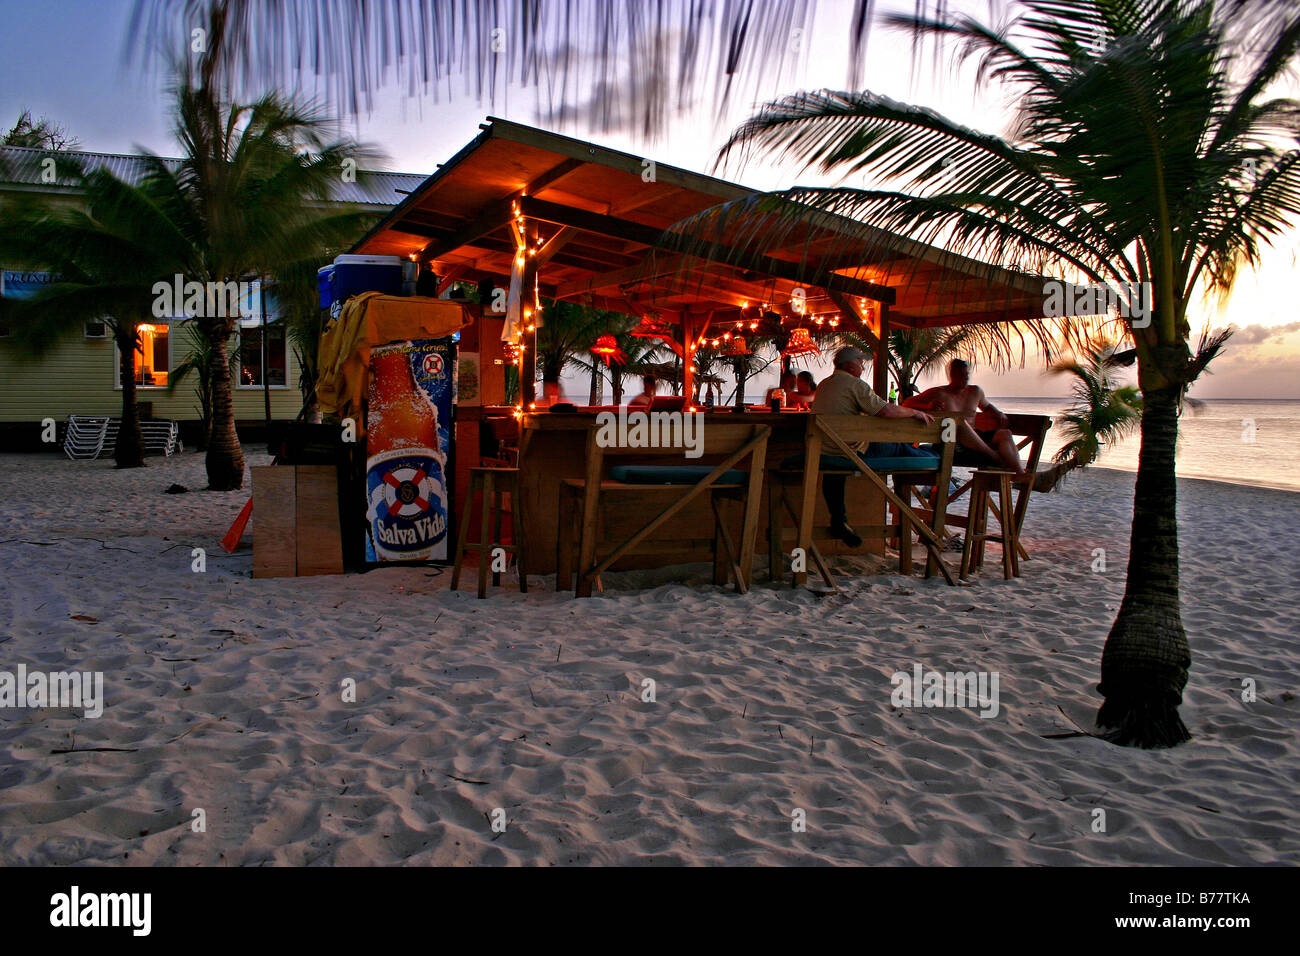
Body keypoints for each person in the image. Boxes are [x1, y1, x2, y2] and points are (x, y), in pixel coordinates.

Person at [808, 347, 934, 547]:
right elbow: (885, 411)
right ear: (850, 365)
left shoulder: (824, 385)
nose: (862, 366)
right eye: (860, 362)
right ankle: (930, 457)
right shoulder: (855, 384)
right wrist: (914, 413)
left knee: (835, 469)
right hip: (850, 452)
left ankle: (839, 519)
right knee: (897, 447)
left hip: (826, 449)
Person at [902, 358, 1030, 482]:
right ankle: (994, 456)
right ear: (952, 375)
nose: (965, 378)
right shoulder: (939, 393)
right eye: (960, 374)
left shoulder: (975, 392)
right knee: (959, 422)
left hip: (975, 437)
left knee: (1005, 434)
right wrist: (927, 406)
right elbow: (907, 403)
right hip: (951, 442)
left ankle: (1019, 474)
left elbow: (986, 406)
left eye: (966, 374)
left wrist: (998, 413)